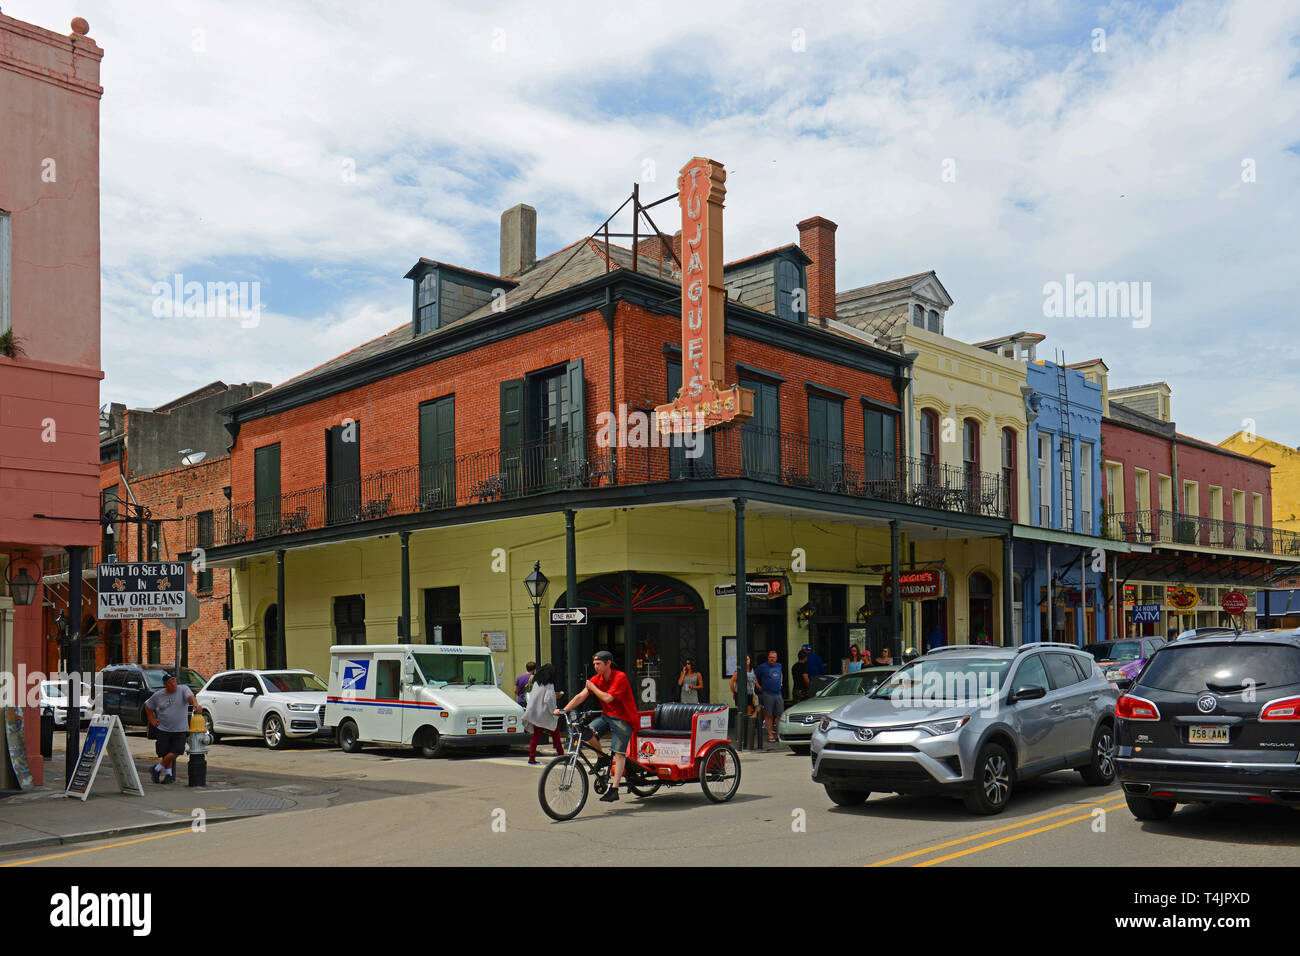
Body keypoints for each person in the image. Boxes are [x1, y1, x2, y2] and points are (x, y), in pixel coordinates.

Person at [556, 650, 639, 803]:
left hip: (624, 719)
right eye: (594, 664)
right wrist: (564, 709)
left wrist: (593, 687)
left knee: (618, 753)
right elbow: (581, 696)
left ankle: (614, 789)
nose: (595, 666)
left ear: (608, 664)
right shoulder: (597, 678)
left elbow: (608, 699)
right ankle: (601, 757)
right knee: (586, 732)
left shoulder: (620, 677)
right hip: (607, 717)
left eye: (598, 664)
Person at [145, 672, 196, 785]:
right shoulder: (158, 695)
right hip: (163, 729)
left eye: (174, 681)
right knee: (166, 753)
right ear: (165, 685)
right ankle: (168, 774)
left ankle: (157, 769)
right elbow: (148, 706)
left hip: (180, 729)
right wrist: (152, 719)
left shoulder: (183, 689)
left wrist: (195, 704)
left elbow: (190, 697)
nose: (174, 684)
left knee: (177, 751)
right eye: (170, 683)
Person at [524, 663, 564, 765]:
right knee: (556, 737)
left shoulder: (537, 683)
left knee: (536, 737)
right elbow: (548, 699)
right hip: (547, 714)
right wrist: (555, 711)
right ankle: (562, 757)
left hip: (537, 714)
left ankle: (531, 758)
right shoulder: (550, 685)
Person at [754, 650, 785, 743]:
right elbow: (754, 676)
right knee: (769, 715)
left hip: (778, 693)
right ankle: (770, 735)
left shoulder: (779, 665)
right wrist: (759, 687)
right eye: (770, 657)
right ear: (768, 658)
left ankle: (778, 734)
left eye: (774, 657)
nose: (772, 659)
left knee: (779, 714)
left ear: (776, 658)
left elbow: (781, 674)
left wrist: (781, 683)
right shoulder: (762, 667)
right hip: (767, 693)